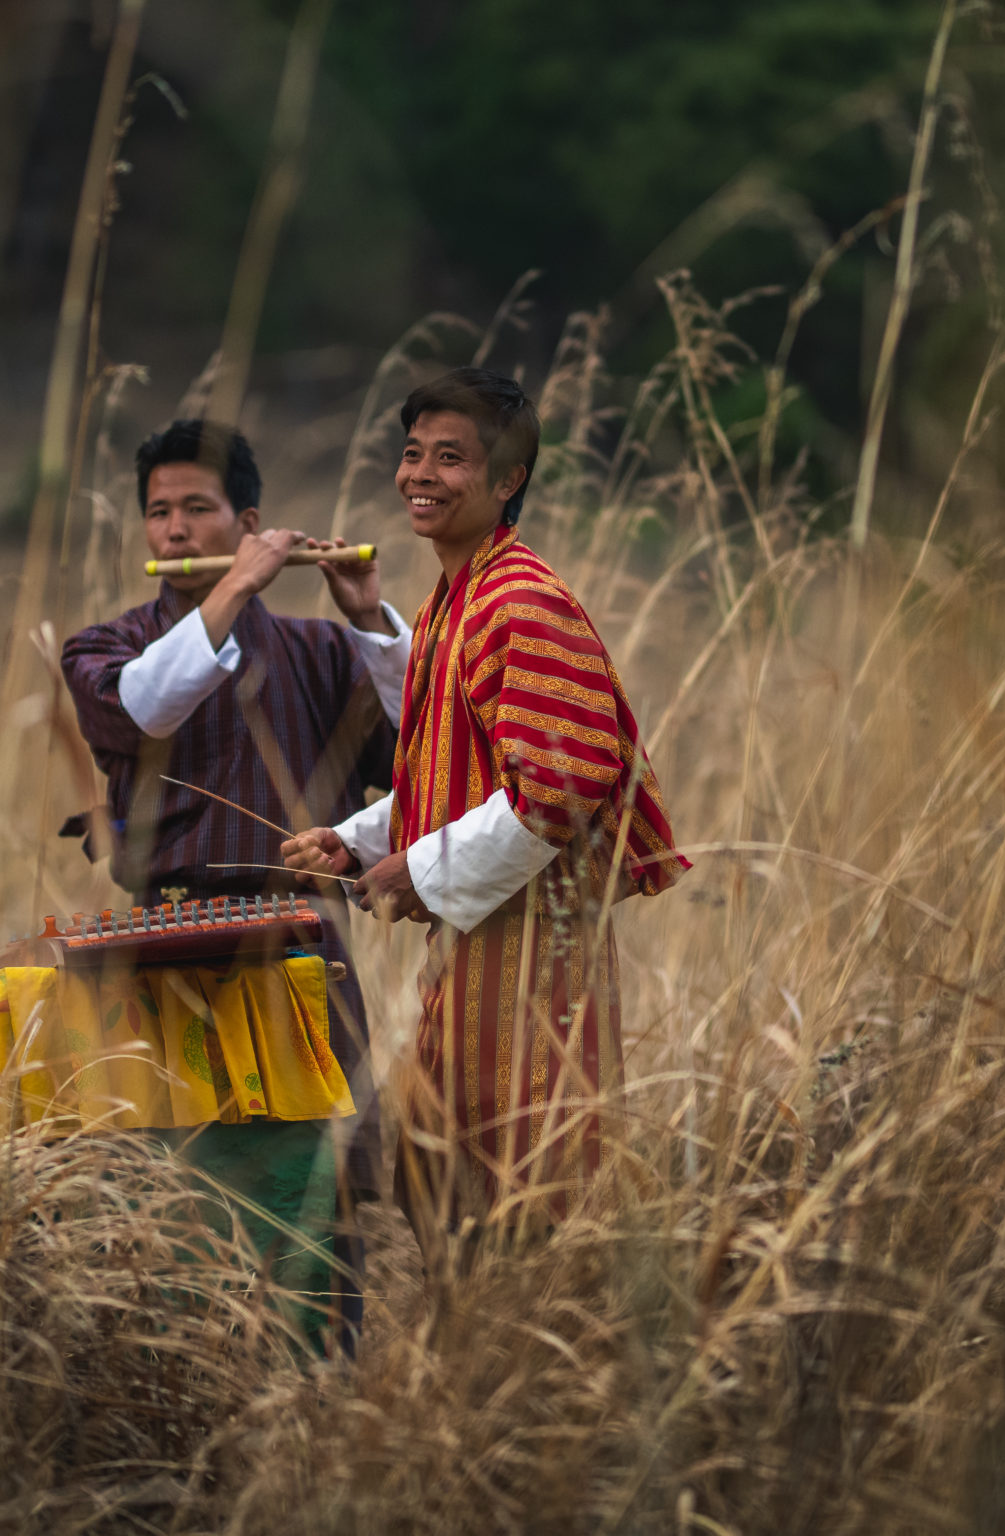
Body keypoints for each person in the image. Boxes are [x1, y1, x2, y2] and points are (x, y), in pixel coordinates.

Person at [282, 367, 689, 1256]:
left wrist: (417, 870)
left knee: (525, 1198)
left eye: (452, 458)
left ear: (508, 481)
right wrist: (354, 845)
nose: (421, 474)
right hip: (475, 952)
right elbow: (452, 780)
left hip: (539, 963)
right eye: (412, 453)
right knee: (443, 1188)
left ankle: (522, 1378)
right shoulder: (450, 603)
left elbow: (562, 790)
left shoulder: (521, 599)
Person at [61, 417, 411, 1351]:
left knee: (309, 1194)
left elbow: (427, 755)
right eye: (158, 512)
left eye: (198, 510)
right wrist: (239, 587)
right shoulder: (106, 648)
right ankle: (187, 1397)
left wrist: (371, 616)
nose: (173, 530)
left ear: (247, 520)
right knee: (172, 1192)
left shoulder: (325, 650)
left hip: (302, 950)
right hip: (166, 954)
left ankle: (314, 1409)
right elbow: (140, 714)